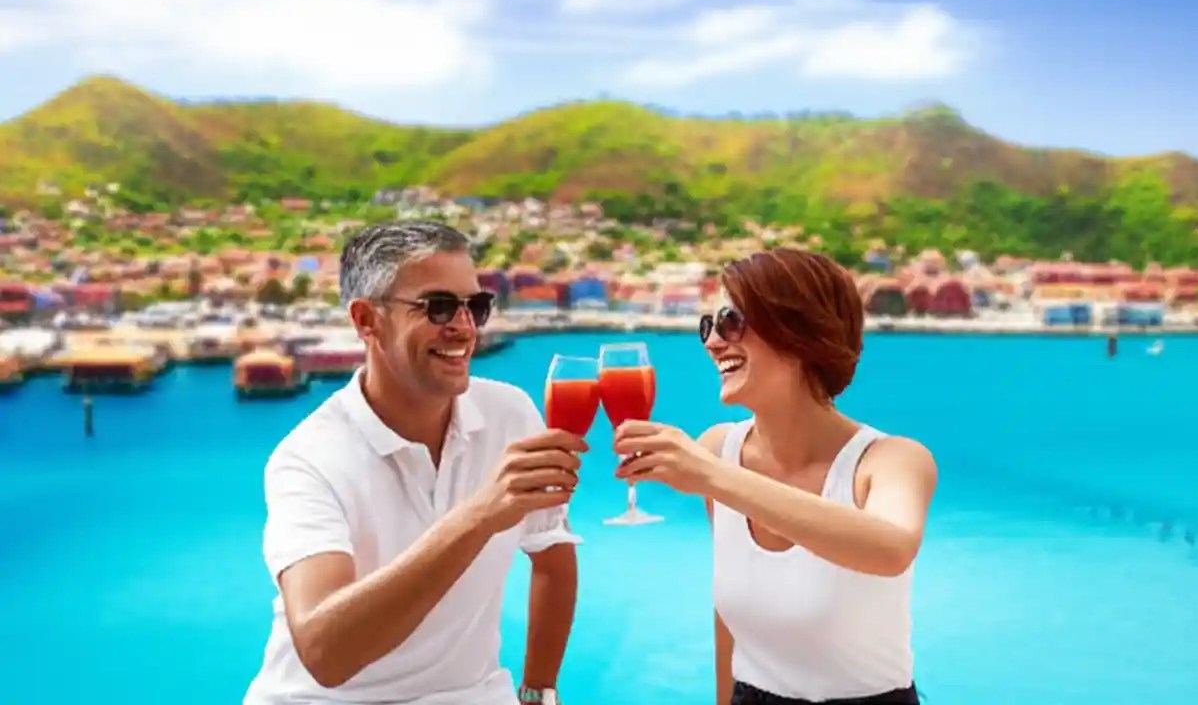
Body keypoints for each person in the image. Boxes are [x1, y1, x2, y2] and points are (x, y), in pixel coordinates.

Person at [244, 220, 583, 705]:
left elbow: (551, 553)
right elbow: (324, 652)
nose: (465, 327)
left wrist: (539, 692)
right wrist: (478, 516)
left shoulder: (510, 414)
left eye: (476, 306)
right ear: (366, 320)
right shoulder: (308, 460)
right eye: (438, 307)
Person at [612, 249, 937, 705]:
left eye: (729, 321)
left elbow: (890, 548)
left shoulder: (891, 460)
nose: (712, 342)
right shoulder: (719, 450)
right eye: (708, 325)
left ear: (798, 331)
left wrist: (712, 476)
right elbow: (731, 620)